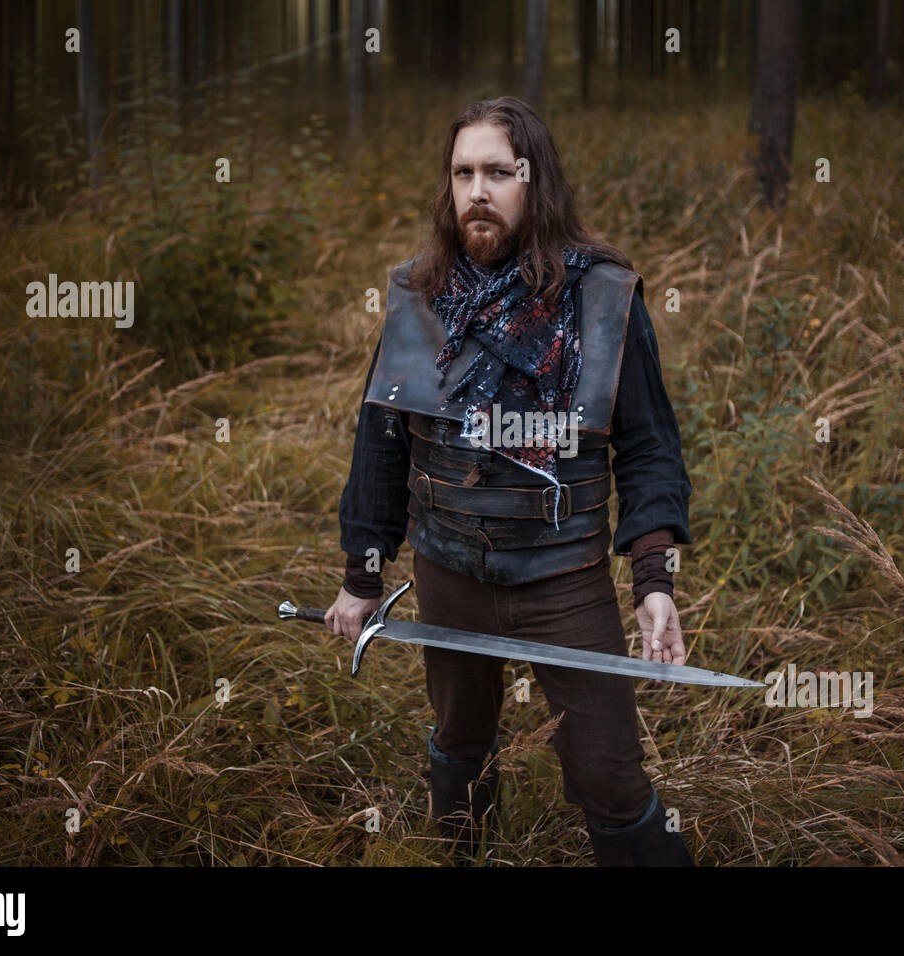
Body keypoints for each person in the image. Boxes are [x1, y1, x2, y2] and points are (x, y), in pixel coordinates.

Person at [324, 96, 695, 866]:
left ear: (537, 182)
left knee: (610, 776)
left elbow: (649, 446)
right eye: (463, 172)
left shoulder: (602, 297)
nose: (477, 190)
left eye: (499, 171)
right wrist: (364, 573)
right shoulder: (420, 297)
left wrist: (654, 580)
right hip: (449, 566)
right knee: (460, 747)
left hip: (563, 574)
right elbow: (382, 442)